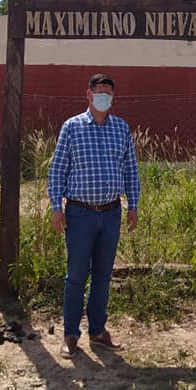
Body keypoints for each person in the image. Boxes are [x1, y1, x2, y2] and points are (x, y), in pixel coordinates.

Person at [48, 73, 140, 359]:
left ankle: (98, 332)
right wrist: (55, 207)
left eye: (108, 93)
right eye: (99, 91)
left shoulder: (121, 128)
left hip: (111, 213)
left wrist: (133, 205)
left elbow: (131, 170)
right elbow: (57, 170)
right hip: (79, 214)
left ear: (113, 97)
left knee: (102, 276)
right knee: (76, 276)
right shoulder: (72, 128)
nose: (103, 97)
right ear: (88, 94)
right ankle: (70, 335)